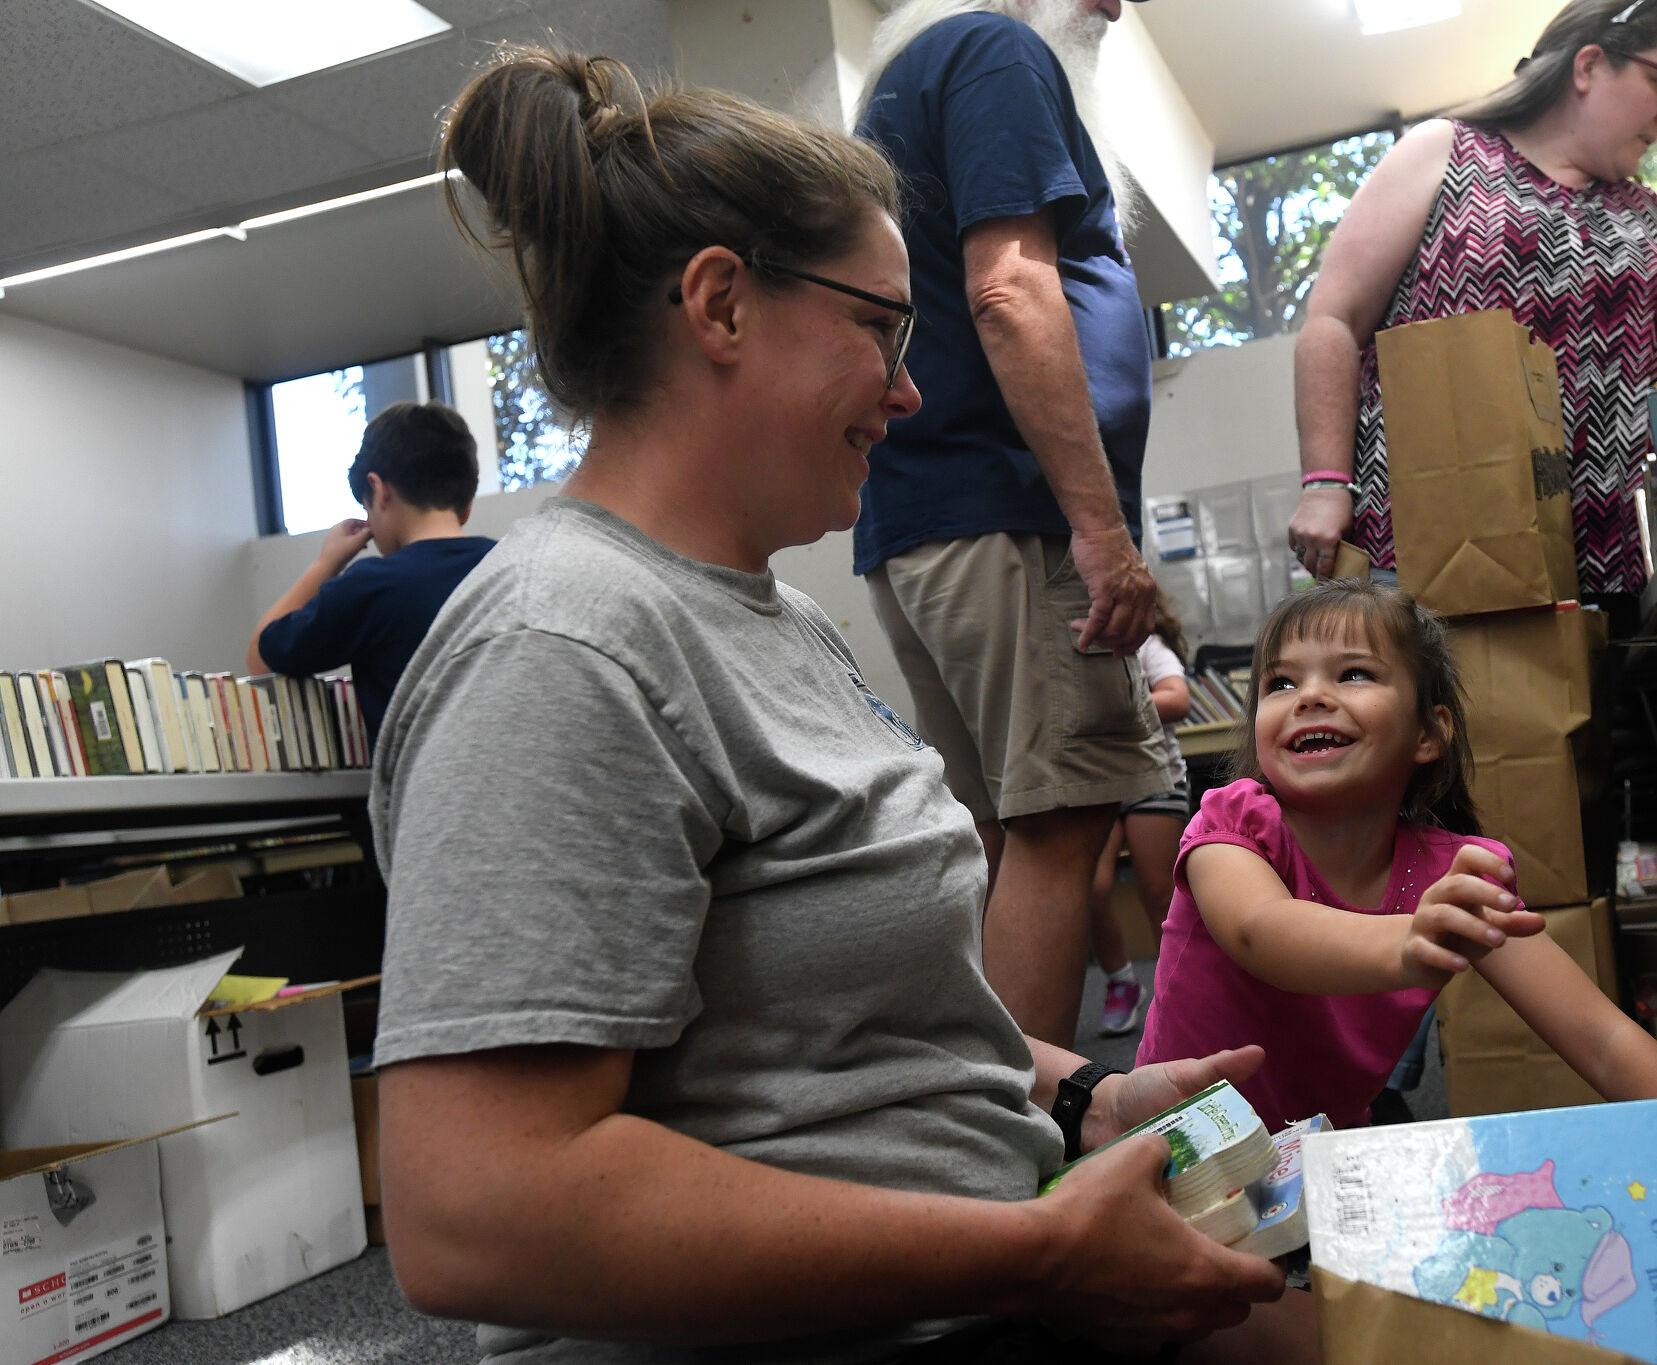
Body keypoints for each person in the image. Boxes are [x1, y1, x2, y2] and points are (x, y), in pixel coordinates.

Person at [370, 46, 1284, 1365]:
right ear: (723, 305)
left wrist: (1082, 1091)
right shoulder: (562, 649)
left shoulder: (775, 621)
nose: (910, 391)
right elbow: (478, 1216)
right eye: (883, 328)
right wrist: (1040, 1249)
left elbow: (850, 1014)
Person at [854, 0, 1170, 1047]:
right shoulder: (995, 49)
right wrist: (1101, 530)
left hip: (932, 519)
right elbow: (1009, 290)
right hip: (1002, 511)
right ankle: (1028, 1156)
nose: (1116, 6)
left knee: (1000, 833)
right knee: (1061, 820)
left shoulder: (914, 73)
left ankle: (987, 1132)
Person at [1137, 579, 1657, 1131]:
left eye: (1354, 673)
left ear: (1429, 734)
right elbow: (1261, 929)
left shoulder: (1455, 873)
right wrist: (1407, 942)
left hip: (1319, 1161)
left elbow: (1603, 1039)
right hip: (1176, 1153)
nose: (1308, 696)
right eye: (1280, 683)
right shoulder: (1232, 823)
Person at [1287, 0, 1657, 605]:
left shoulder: (1656, 220)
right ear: (1588, 64)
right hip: (1432, 558)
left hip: (1613, 572)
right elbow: (1333, 321)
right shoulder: (1446, 153)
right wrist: (1325, 482)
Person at [247, 400, 494, 746]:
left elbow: (261, 658)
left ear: (378, 490)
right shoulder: (513, 566)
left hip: (420, 798)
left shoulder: (373, 586)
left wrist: (325, 565)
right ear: (466, 504)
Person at [1087, 591, 1194, 1037]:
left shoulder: (1146, 645)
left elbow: (1178, 699)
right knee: (1091, 888)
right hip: (1096, 782)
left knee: (1158, 890)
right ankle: (1122, 983)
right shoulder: (1069, 651)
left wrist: (1113, 705)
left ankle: (1181, 991)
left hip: (1154, 778)